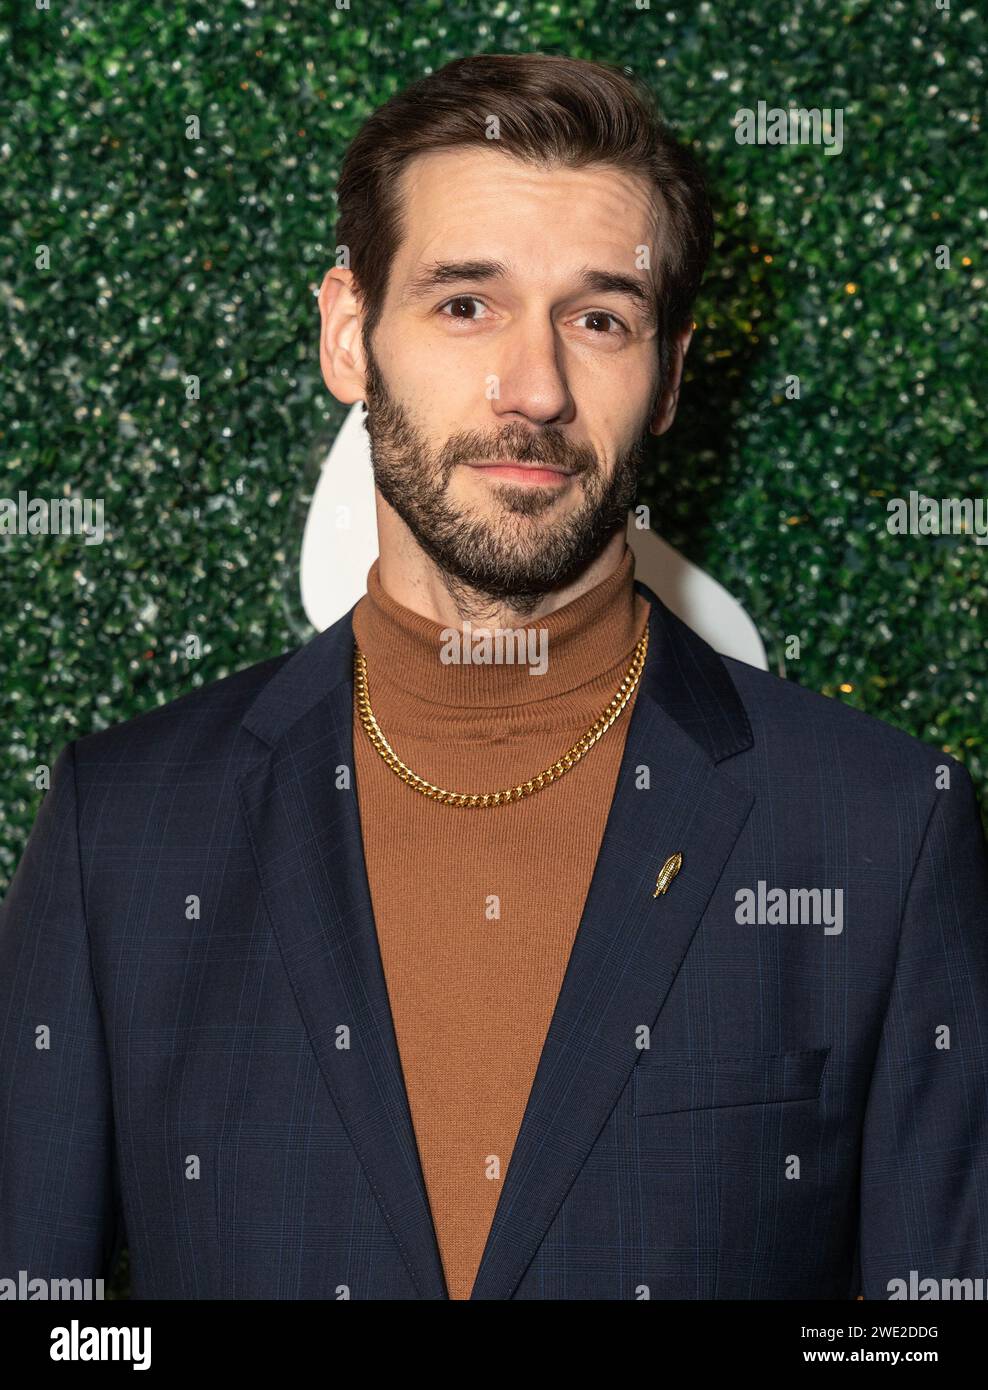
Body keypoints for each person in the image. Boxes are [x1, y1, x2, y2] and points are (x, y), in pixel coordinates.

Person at [1, 52, 986, 1302]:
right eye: (466, 304)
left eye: (598, 317)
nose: (533, 390)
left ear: (670, 378)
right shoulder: (124, 827)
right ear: (350, 335)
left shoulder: (878, 829)